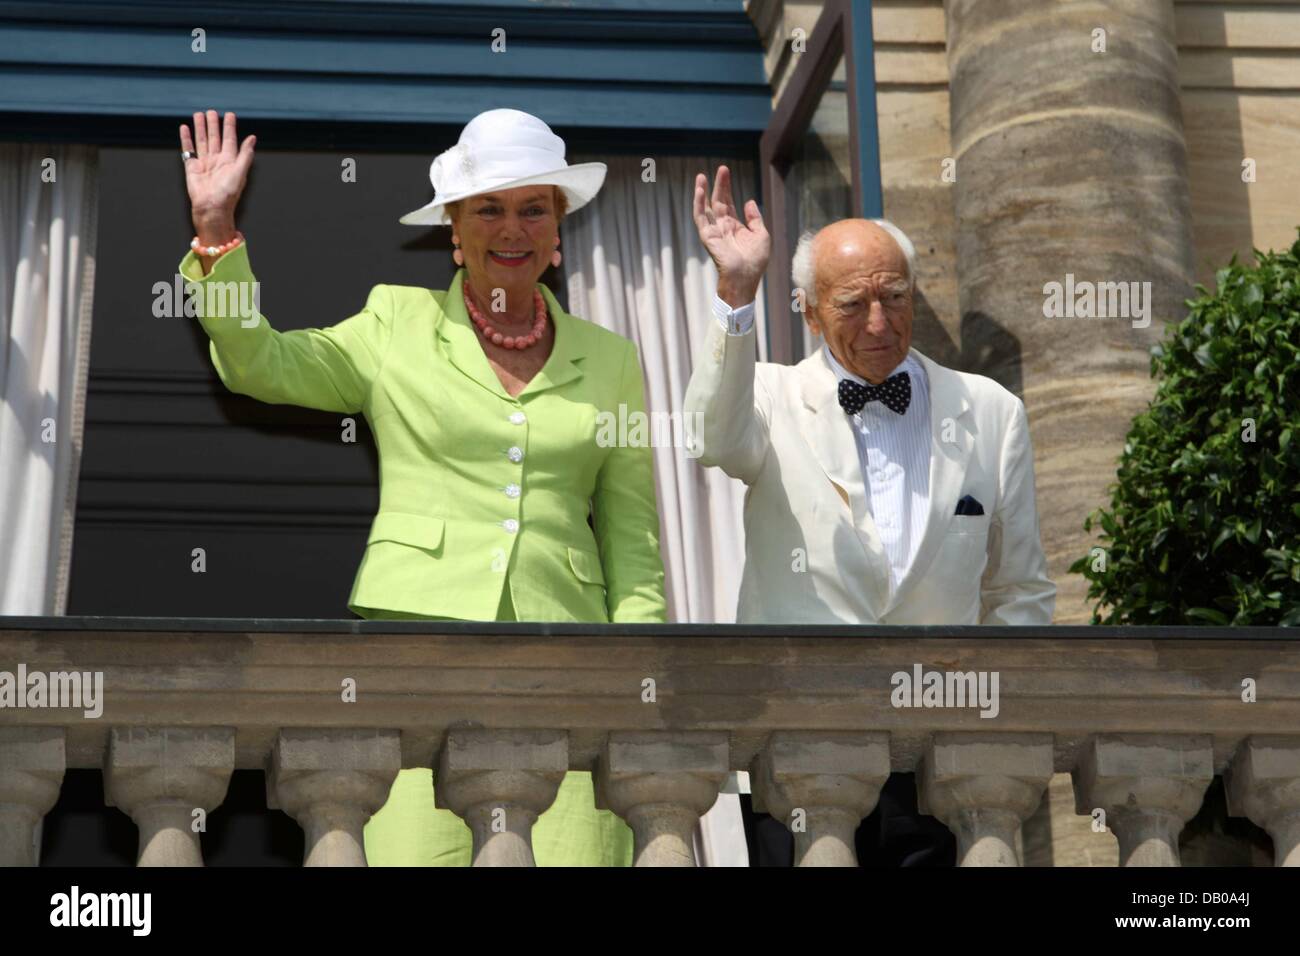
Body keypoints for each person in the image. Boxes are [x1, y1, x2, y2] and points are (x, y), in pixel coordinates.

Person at [176, 107, 666, 866]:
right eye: (489, 209)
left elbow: (633, 544)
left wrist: (640, 683)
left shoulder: (612, 359)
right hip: (414, 658)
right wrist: (216, 235)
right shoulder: (393, 322)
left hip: (570, 666)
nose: (512, 228)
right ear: (453, 231)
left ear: (558, 228)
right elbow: (257, 364)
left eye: (534, 207)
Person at [684, 166, 1056, 865]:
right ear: (809, 311)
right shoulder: (767, 392)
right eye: (854, 304)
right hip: (796, 745)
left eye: (895, 297)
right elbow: (710, 437)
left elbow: (1021, 592)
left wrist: (983, 721)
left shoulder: (992, 411)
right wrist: (736, 294)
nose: (880, 323)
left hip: (939, 761)